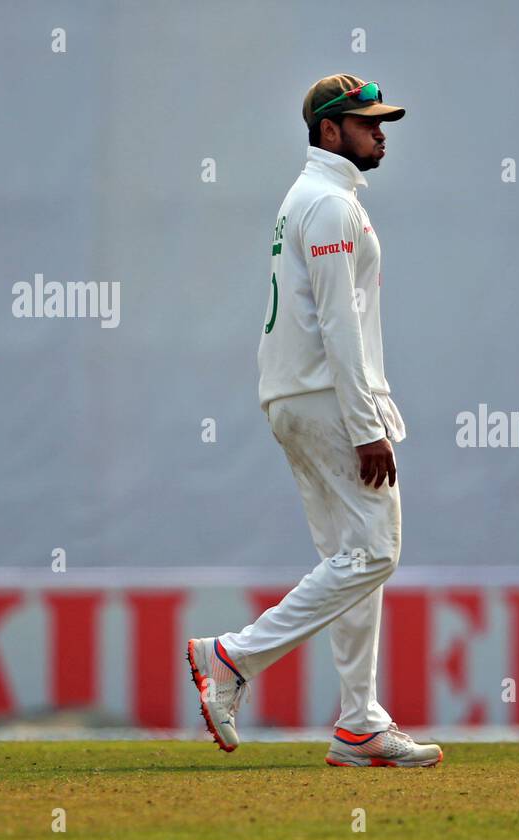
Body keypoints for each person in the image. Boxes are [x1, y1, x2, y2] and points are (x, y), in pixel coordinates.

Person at [186, 74, 442, 768]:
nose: (380, 133)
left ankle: (360, 724)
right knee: (375, 553)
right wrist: (367, 425)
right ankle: (232, 657)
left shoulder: (311, 198)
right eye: (366, 124)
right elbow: (338, 323)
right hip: (326, 397)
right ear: (330, 132)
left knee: (351, 562)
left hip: (294, 394)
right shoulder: (329, 205)